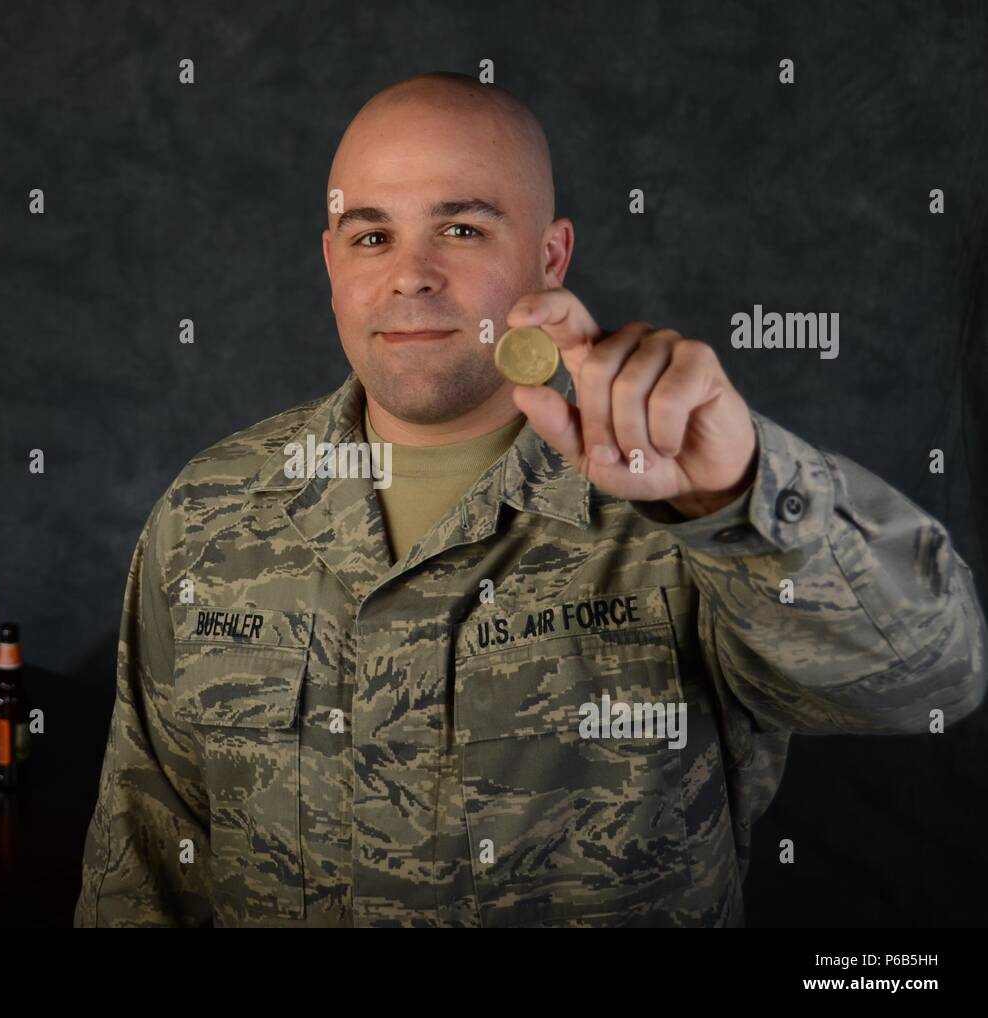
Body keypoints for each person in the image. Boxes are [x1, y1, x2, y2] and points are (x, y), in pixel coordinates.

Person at [74, 71, 987, 927]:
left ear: (550, 257)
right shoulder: (211, 510)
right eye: (371, 234)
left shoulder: (688, 504)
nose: (410, 274)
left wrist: (747, 494)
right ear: (330, 260)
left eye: (462, 229)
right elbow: (143, 854)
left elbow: (930, 681)